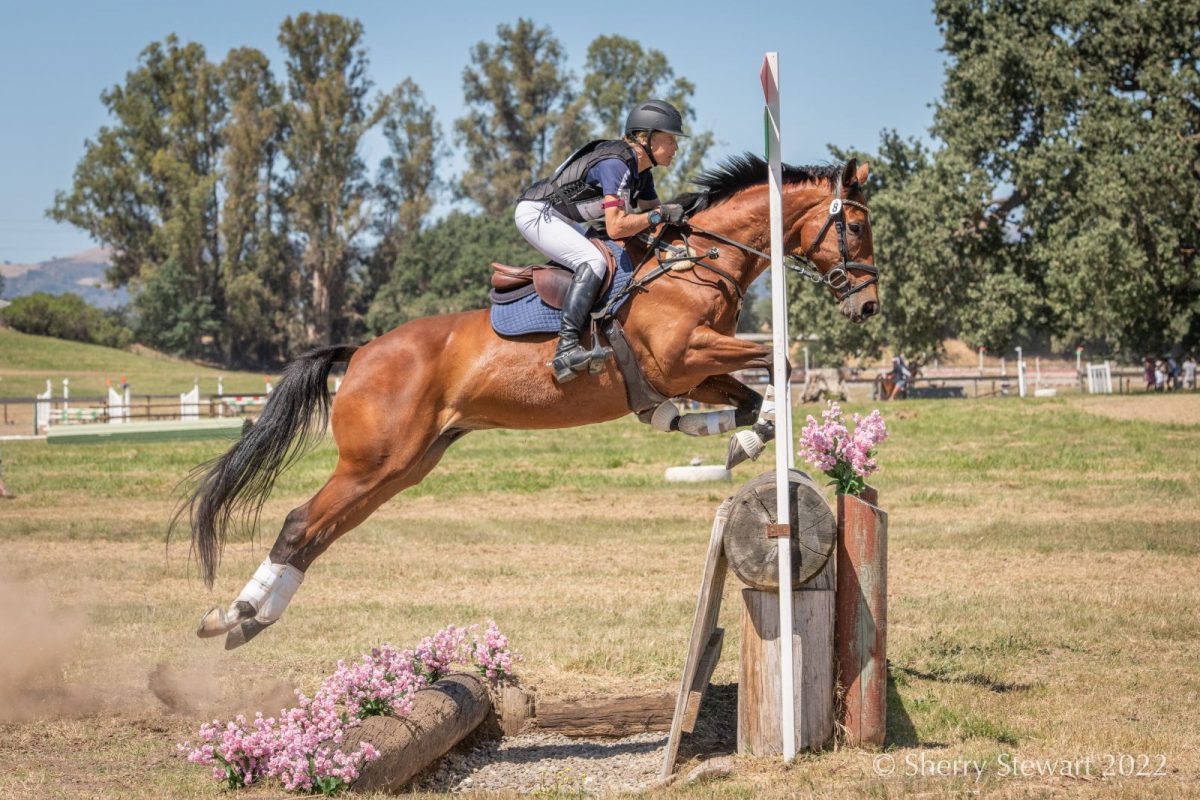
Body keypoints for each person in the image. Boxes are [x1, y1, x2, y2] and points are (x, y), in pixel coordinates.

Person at [515, 99, 688, 383]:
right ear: (645, 138)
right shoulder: (616, 164)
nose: (675, 148)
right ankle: (566, 348)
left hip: (562, 218)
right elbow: (619, 225)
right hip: (536, 213)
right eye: (670, 139)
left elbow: (654, 218)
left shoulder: (641, 171)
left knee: (609, 255)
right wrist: (659, 216)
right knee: (593, 261)